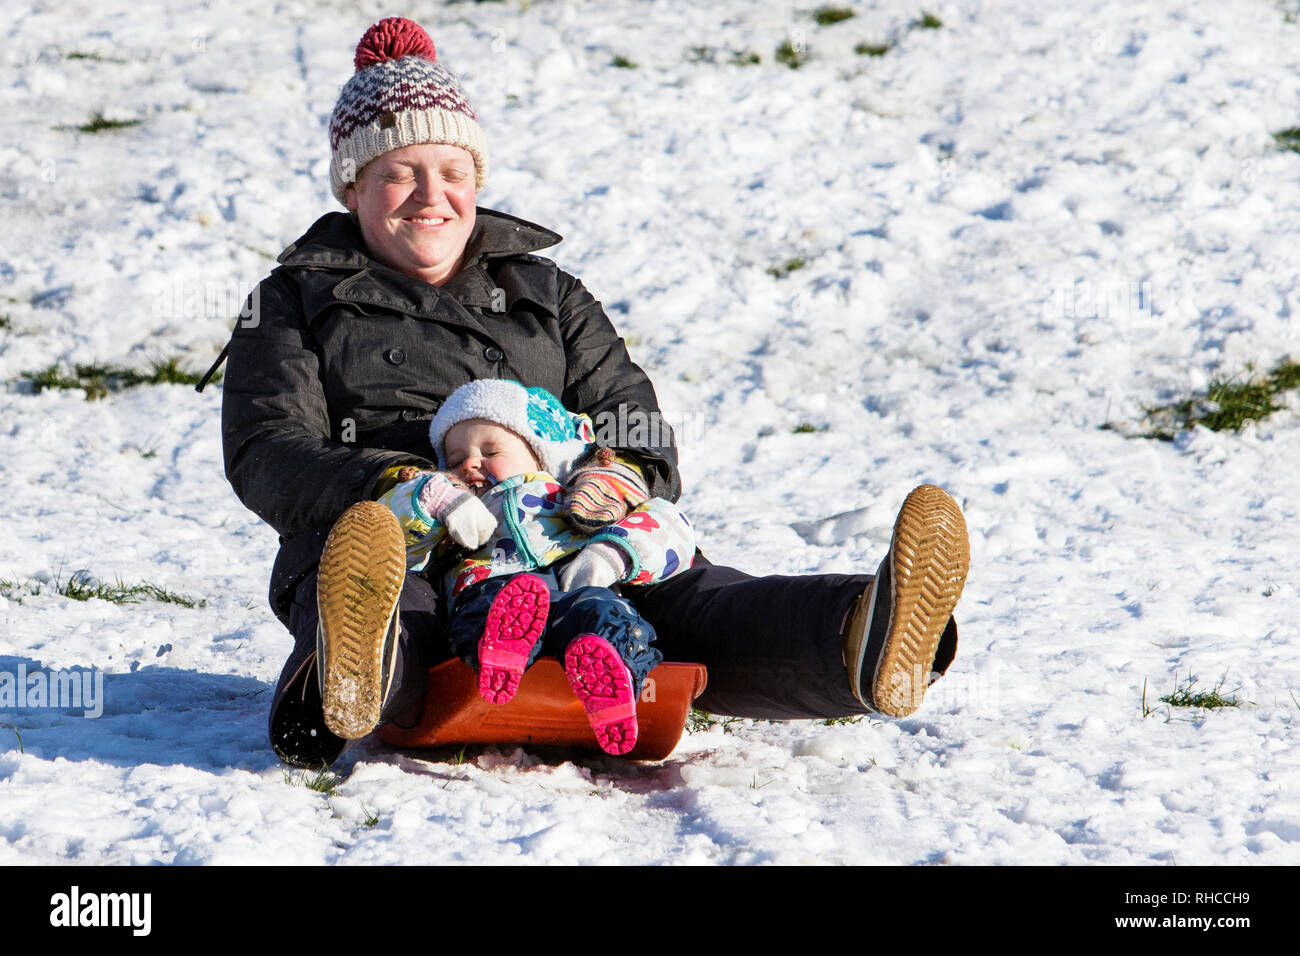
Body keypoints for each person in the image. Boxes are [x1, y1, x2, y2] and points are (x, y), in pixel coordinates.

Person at [207, 17, 970, 769]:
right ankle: (353, 677)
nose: (430, 196)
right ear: (354, 184)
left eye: (453, 172)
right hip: (402, 533)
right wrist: (390, 483)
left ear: (477, 181)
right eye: (400, 173)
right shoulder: (294, 300)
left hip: (556, 524)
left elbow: (630, 415)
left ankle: (862, 636)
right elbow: (265, 445)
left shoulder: (546, 293)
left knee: (687, 596)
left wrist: (616, 476)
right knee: (409, 607)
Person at [358, 377, 695, 754]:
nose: (471, 463)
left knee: (605, 613)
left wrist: (611, 554)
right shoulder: (452, 510)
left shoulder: (573, 496)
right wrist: (433, 499)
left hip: (574, 588)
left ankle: (609, 673)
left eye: (491, 450)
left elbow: (671, 527)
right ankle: (502, 651)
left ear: (537, 455)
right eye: (455, 460)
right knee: (488, 604)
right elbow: (390, 529)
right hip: (489, 585)